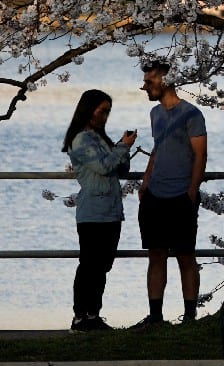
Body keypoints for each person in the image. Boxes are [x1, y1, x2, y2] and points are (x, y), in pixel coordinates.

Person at [134, 61, 207, 328]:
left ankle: (189, 317)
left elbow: (200, 154)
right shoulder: (155, 114)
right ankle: (155, 316)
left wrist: (191, 191)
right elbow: (157, 149)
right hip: (155, 195)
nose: (144, 87)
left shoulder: (192, 115)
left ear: (165, 81)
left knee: (185, 255)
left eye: (149, 82)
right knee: (156, 254)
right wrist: (145, 182)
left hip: (181, 196)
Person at [63, 89, 137, 331]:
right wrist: (122, 147)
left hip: (111, 212)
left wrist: (122, 147)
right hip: (93, 212)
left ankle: (94, 315)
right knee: (89, 265)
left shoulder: (99, 138)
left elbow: (120, 168)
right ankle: (80, 316)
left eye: (108, 112)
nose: (105, 116)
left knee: (103, 266)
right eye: (102, 110)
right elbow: (105, 167)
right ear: (88, 109)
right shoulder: (82, 139)